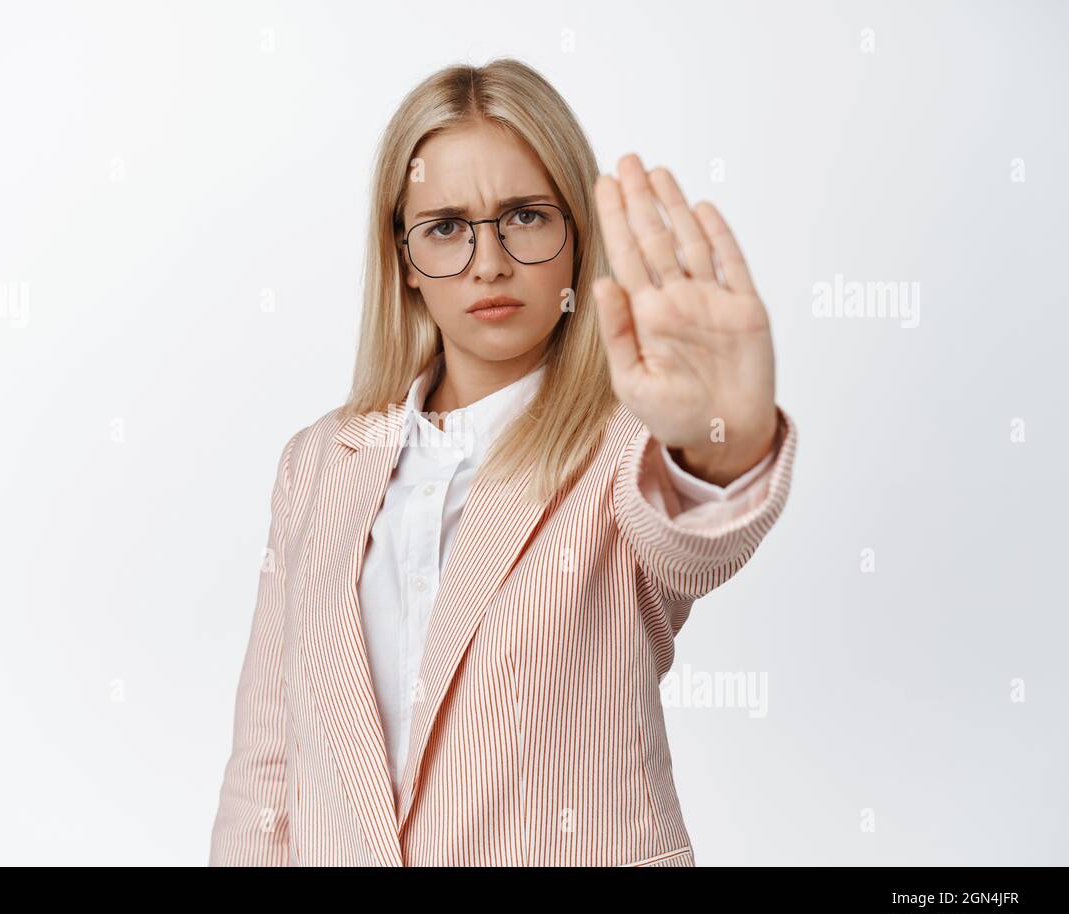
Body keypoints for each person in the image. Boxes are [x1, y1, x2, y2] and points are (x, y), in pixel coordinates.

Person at [210, 58, 796, 866]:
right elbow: (268, 768)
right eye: (447, 226)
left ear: (578, 236)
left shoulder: (629, 447)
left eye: (525, 216)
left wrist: (720, 435)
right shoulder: (319, 463)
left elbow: (697, 535)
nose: (489, 262)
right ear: (405, 259)